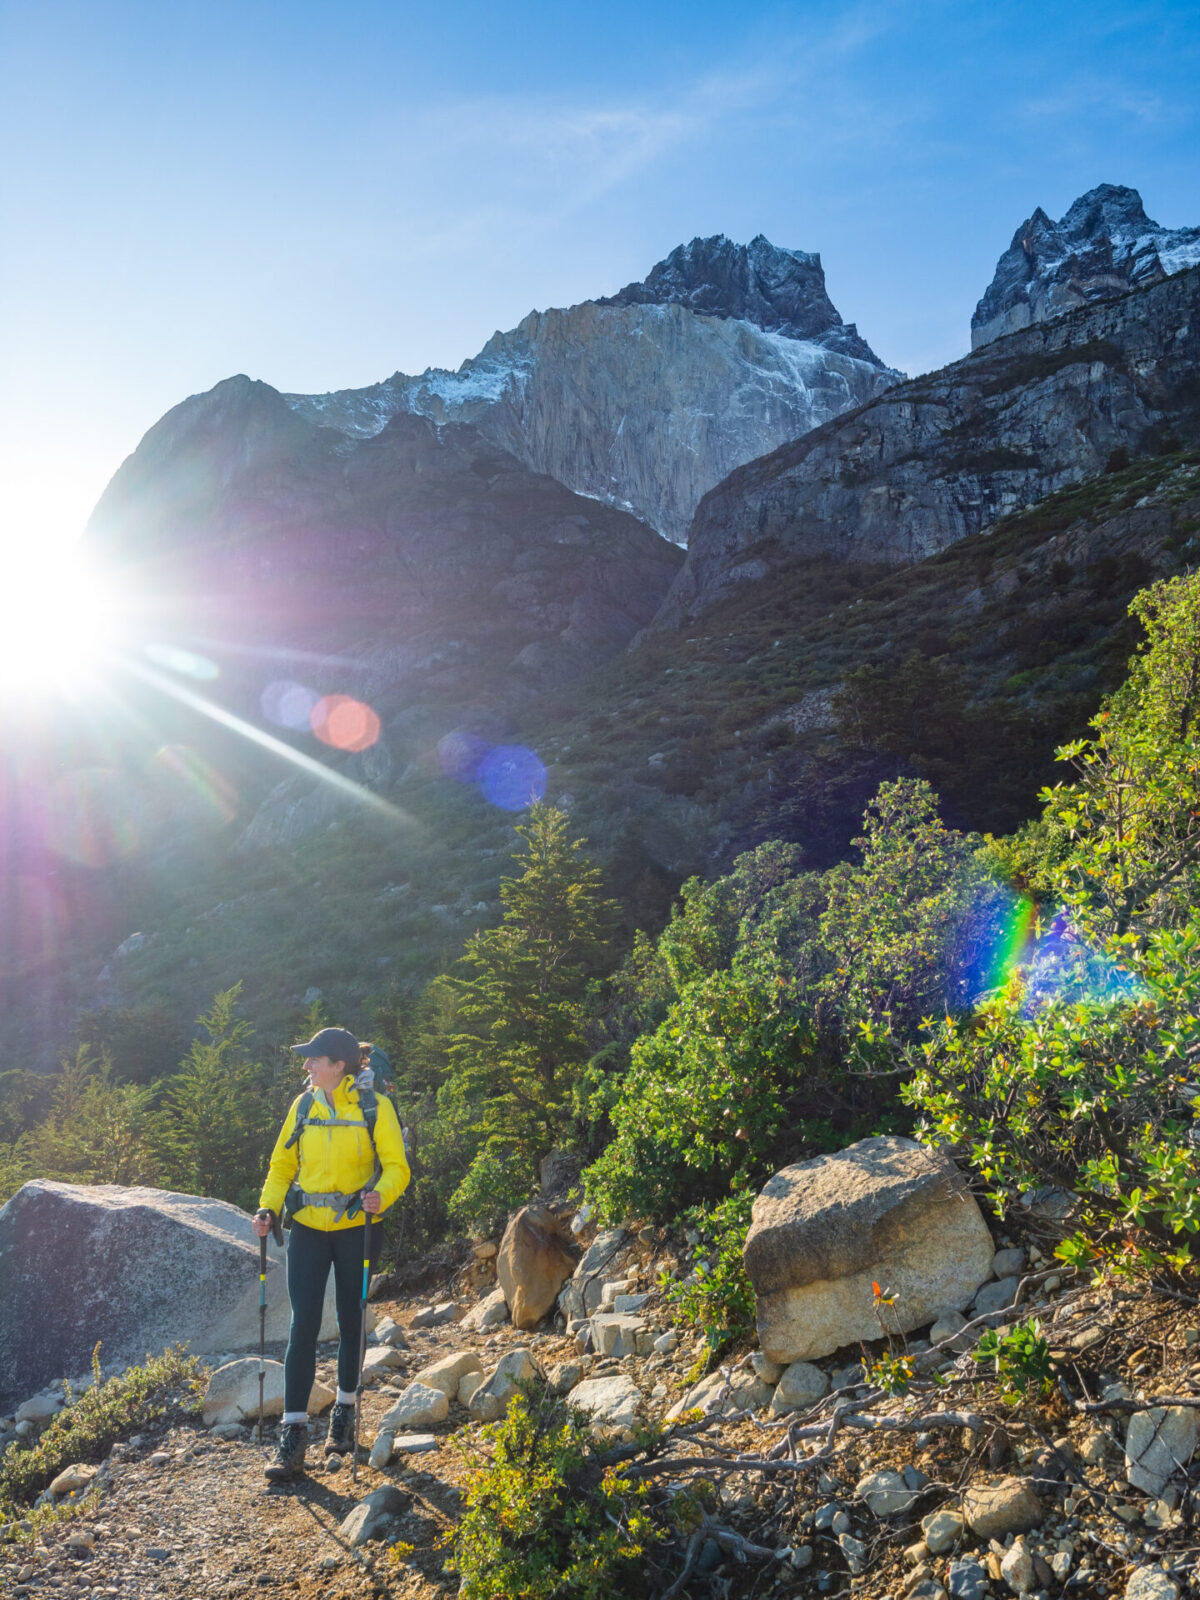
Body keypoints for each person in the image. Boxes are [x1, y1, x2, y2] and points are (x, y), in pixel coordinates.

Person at [252, 1025, 409, 1482]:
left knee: (349, 1318)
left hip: (357, 1229)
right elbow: (282, 1165)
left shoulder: (375, 1107)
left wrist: (382, 1193)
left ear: (338, 1065)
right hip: (306, 1230)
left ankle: (344, 1410)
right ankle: (294, 1434)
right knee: (302, 1326)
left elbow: (398, 1166)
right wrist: (268, 1207)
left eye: (314, 1058)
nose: (306, 1065)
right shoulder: (303, 1106)